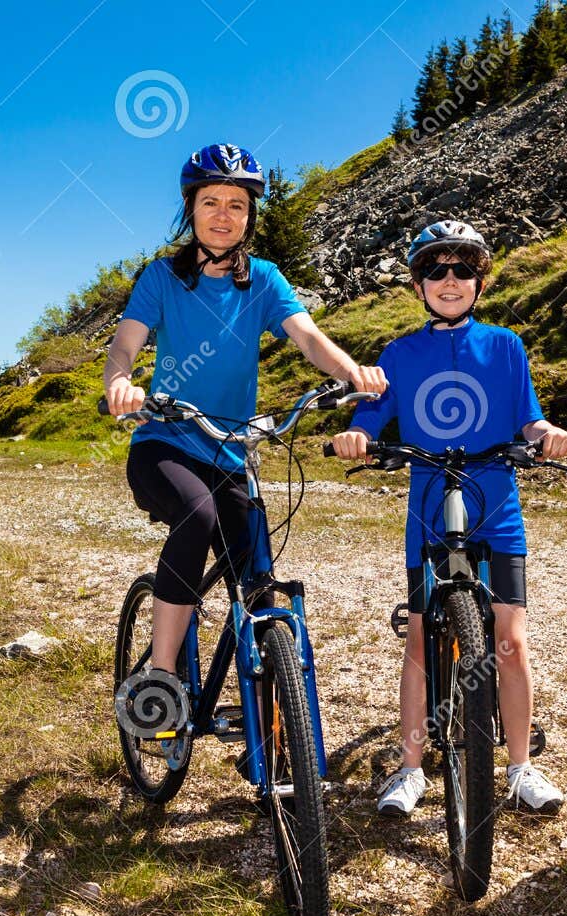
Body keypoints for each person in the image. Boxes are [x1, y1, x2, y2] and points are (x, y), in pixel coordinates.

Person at [103, 144, 385, 728]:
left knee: (258, 583)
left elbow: (307, 337)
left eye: (238, 204)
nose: (224, 214)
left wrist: (349, 371)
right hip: (167, 441)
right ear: (192, 209)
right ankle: (160, 679)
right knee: (197, 517)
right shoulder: (163, 277)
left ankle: (271, 733)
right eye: (211, 202)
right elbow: (126, 342)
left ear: (251, 215)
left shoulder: (263, 280)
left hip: (233, 449)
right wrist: (122, 383)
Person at [331, 220, 567, 817]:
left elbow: (529, 415)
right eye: (436, 270)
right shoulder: (399, 353)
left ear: (480, 281)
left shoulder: (505, 345)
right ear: (418, 283)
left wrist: (547, 435)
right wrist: (357, 436)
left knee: (510, 642)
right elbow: (373, 412)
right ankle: (410, 769)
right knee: (419, 640)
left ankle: (520, 766)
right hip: (427, 507)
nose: (450, 280)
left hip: (497, 504)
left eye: (463, 269)